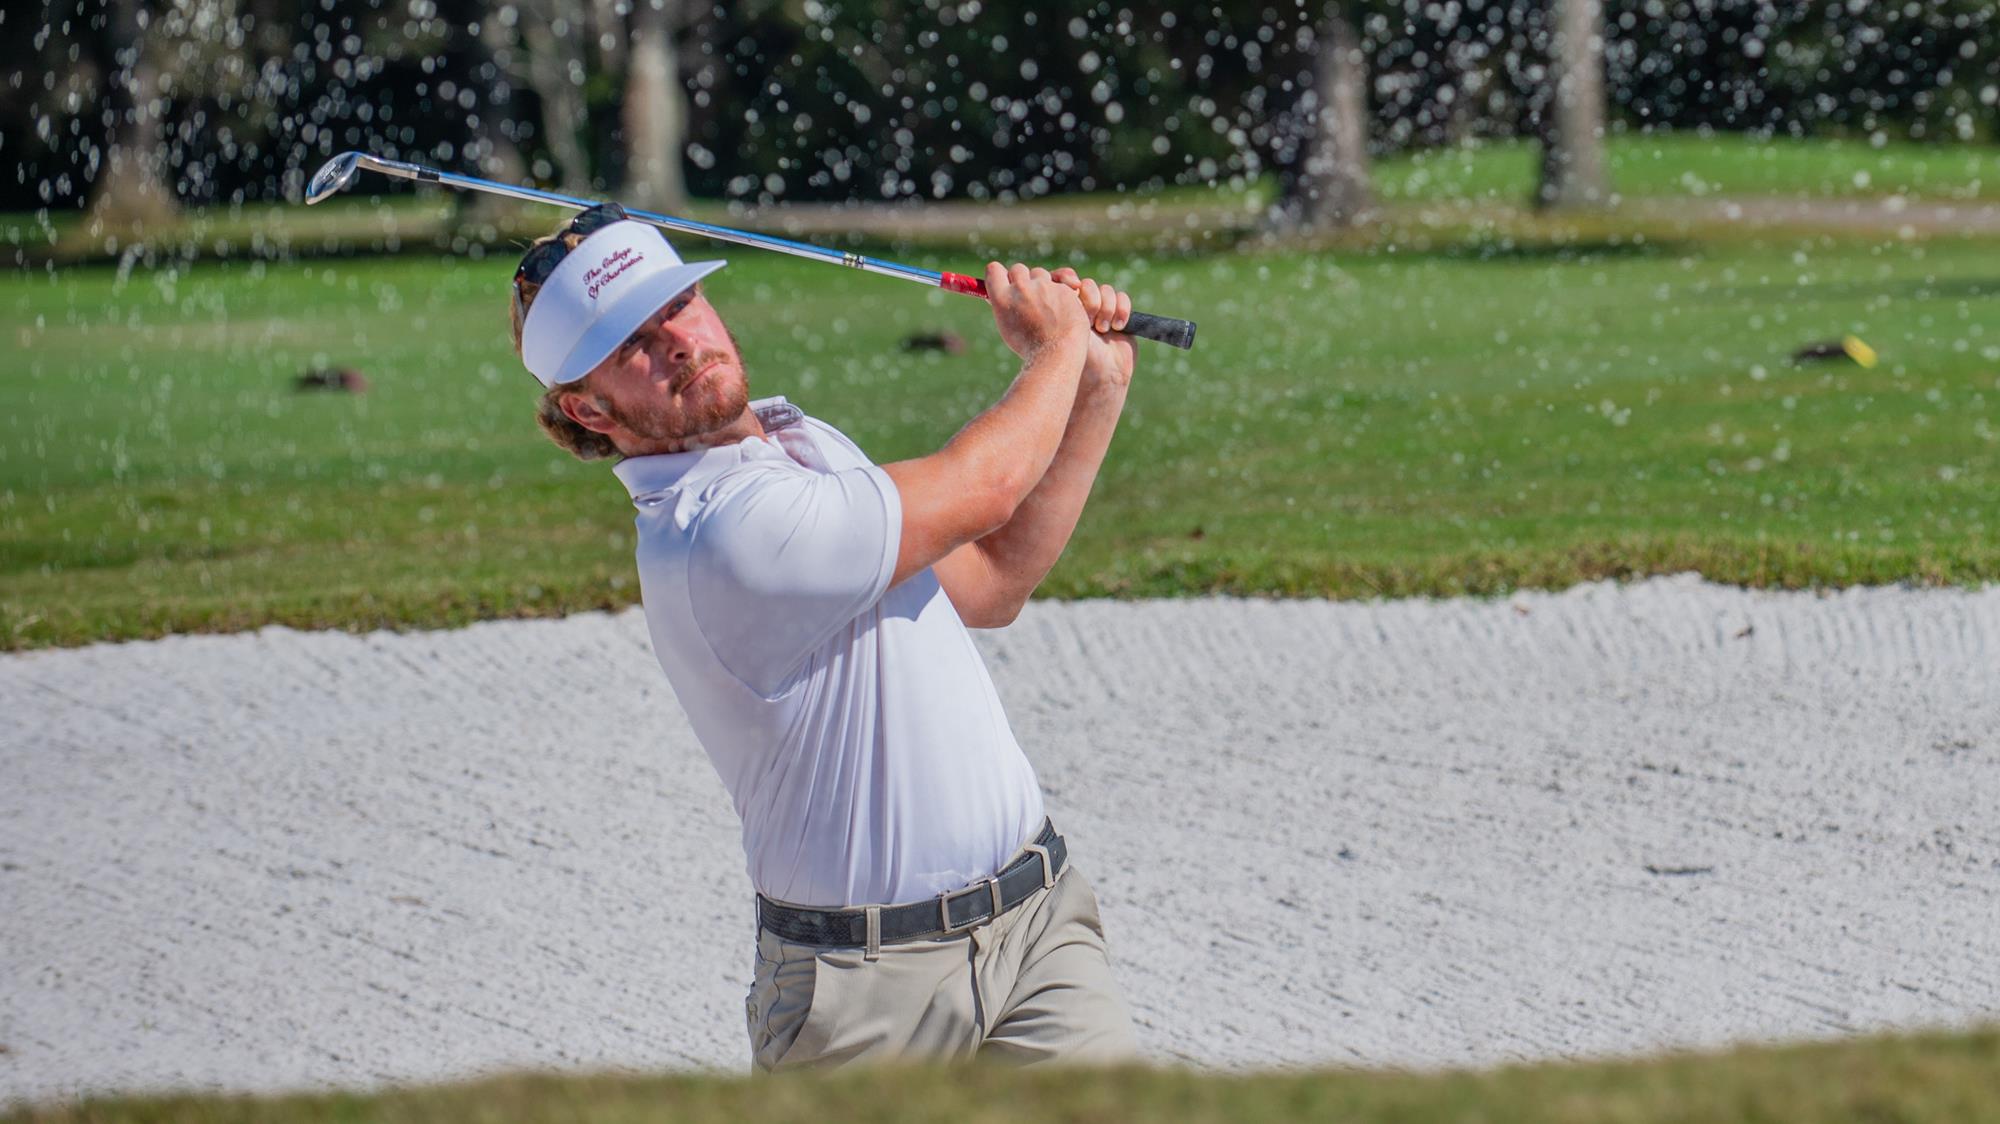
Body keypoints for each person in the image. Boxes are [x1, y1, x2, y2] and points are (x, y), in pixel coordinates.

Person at [507, 203, 1140, 1070]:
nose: (677, 344)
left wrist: (1097, 384)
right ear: (591, 410)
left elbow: (993, 581)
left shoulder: (796, 446)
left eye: (677, 307)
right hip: (864, 997)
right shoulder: (719, 532)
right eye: (631, 349)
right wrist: (1056, 345)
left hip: (1039, 936)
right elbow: (984, 487)